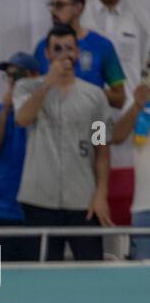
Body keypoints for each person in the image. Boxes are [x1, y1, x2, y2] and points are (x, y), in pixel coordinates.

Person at [14, 26, 115, 261]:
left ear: (77, 52)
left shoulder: (95, 96)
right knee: (40, 278)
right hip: (38, 200)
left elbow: (101, 147)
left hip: (83, 200)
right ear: (47, 54)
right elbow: (22, 118)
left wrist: (101, 194)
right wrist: (48, 82)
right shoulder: (26, 87)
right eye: (57, 49)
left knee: (92, 273)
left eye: (69, 48)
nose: (64, 54)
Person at [85, 0, 150, 166]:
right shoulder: (85, 21)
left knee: (136, 165)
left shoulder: (141, 18)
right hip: (96, 109)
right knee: (99, 161)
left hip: (136, 106)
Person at [0, 53, 42, 261]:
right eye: (8, 77)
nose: (11, 81)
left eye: (16, 76)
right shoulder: (0, 110)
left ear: (33, 77)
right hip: (2, 206)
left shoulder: (44, 110)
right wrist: (6, 110)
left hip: (36, 208)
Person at [33, 0, 127, 109]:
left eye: (59, 5)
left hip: (93, 124)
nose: (53, 11)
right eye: (51, 5)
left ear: (78, 7)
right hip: (53, 124)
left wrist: (84, 91)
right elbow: (31, 93)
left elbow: (120, 99)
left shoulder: (102, 45)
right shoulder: (42, 47)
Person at [112, 75, 150, 259]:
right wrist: (136, 105)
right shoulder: (141, 102)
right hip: (145, 208)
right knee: (143, 281)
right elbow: (114, 137)